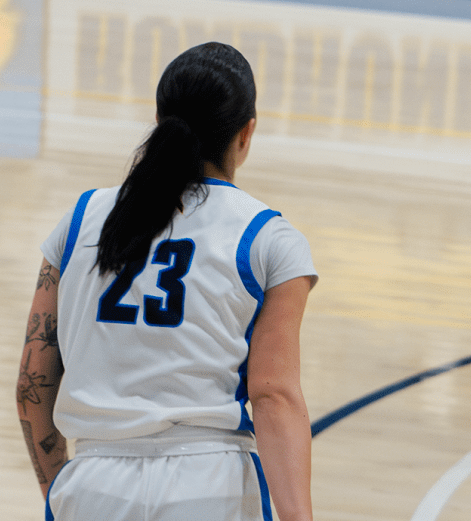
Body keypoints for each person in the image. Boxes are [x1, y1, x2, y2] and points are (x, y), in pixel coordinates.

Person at [16, 42, 317, 521]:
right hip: (211, 487)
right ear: (247, 133)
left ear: (158, 121)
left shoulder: (80, 220)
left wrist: (63, 491)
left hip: (93, 484)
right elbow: (273, 396)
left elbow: (34, 380)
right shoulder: (270, 239)